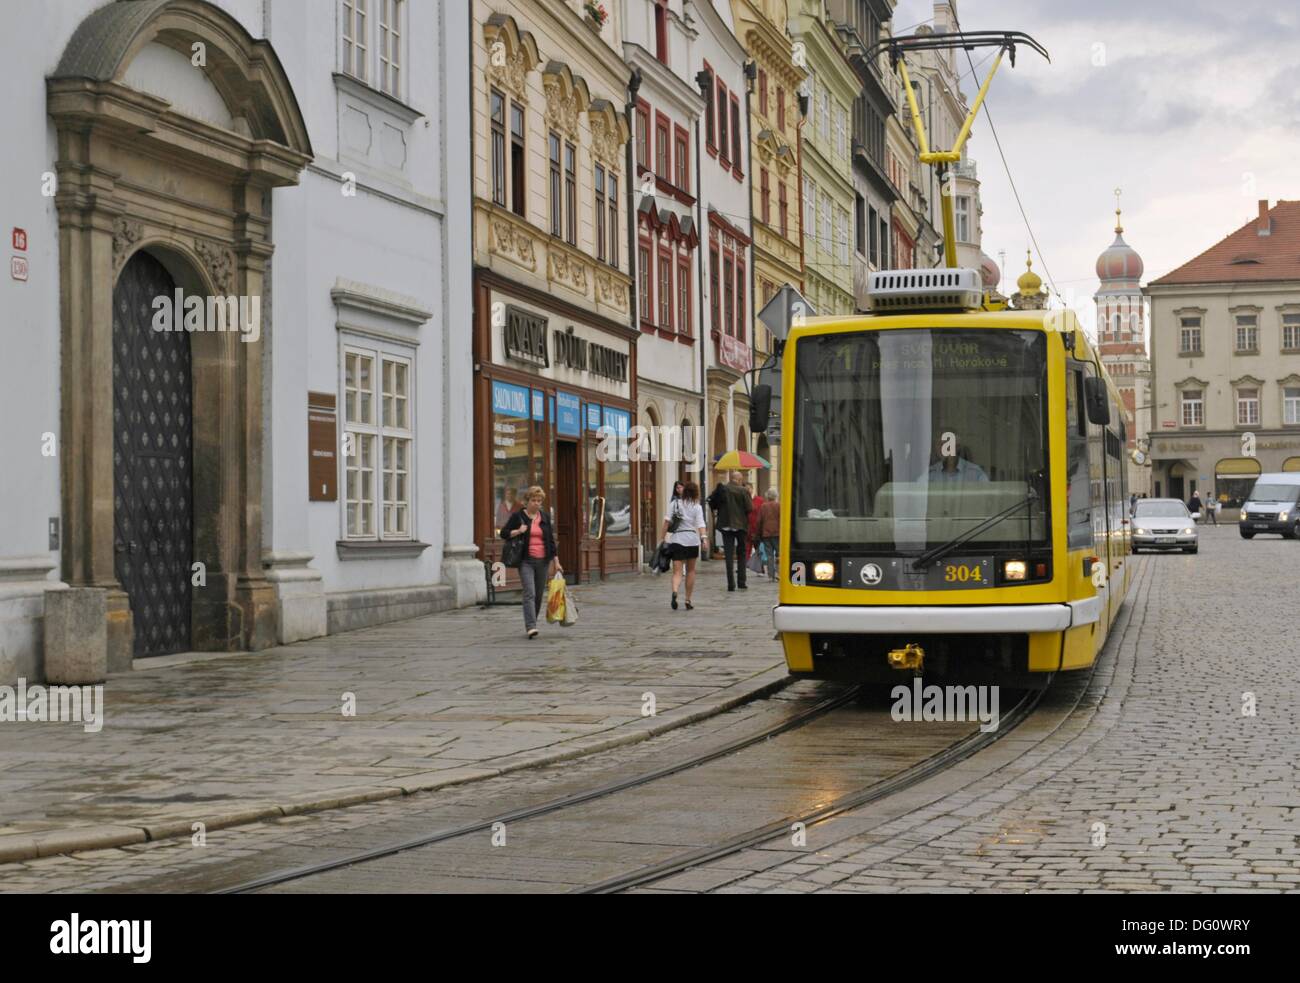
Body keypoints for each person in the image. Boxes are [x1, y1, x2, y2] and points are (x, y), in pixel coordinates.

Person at [500, 486, 562, 639]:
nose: (536, 503)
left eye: (539, 501)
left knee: (539, 595)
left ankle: (532, 620)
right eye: (533, 500)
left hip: (543, 561)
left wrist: (556, 561)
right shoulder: (518, 517)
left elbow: (551, 541)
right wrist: (518, 531)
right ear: (526, 502)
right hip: (525, 560)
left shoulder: (545, 517)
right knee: (530, 593)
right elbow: (504, 533)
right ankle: (531, 626)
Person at [663, 481, 707, 610]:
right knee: (691, 571)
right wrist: (704, 539)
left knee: (677, 572)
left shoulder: (675, 504)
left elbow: (666, 522)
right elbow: (701, 524)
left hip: (677, 539)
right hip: (692, 540)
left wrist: (662, 538)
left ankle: (675, 591)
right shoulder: (697, 507)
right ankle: (687, 600)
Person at [707, 470, 753, 590]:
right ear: (739, 479)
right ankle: (741, 582)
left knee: (728, 555)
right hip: (740, 525)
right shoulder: (743, 491)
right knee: (741, 553)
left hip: (725, 524)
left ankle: (730, 584)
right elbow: (750, 508)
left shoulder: (723, 489)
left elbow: (714, 503)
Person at [757, 488, 780, 581]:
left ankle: (771, 576)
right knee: (779, 554)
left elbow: (759, 521)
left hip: (766, 533)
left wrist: (758, 533)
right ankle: (779, 573)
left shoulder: (763, 506)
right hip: (778, 533)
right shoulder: (779, 505)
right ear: (776, 496)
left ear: (767, 496)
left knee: (769, 555)